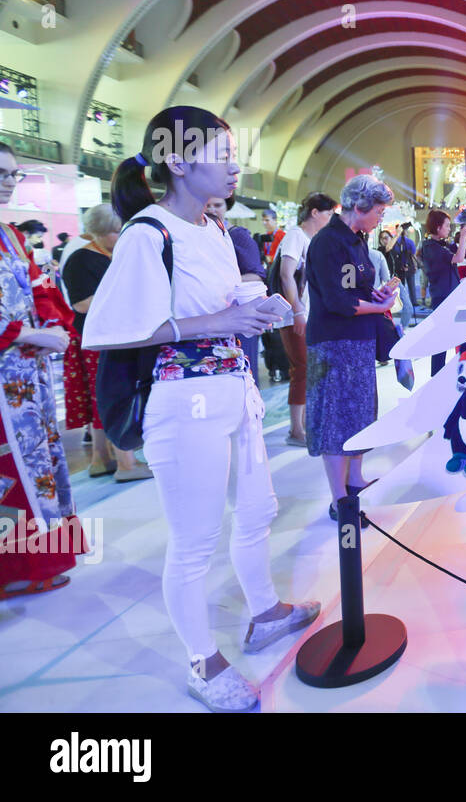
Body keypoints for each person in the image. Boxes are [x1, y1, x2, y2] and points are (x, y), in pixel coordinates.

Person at [82, 107, 320, 712]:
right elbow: (111, 328)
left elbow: (227, 299)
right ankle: (201, 660)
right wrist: (221, 320)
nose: (235, 166)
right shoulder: (147, 232)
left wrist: (256, 307)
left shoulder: (211, 230)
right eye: (223, 153)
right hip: (181, 401)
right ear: (180, 162)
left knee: (256, 511)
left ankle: (264, 610)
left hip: (233, 389)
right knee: (194, 540)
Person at [0, 143, 86, 601]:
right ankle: (13, 569)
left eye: (13, 174)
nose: (9, 181)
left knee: (39, 466)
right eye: (1, 173)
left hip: (25, 378)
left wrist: (53, 322)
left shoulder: (11, 236)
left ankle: (39, 563)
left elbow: (41, 286)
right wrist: (29, 334)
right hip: (6, 375)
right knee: (9, 471)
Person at [303, 173, 398, 524]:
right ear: (359, 206)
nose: (381, 218)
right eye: (379, 211)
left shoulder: (358, 240)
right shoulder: (329, 242)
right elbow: (338, 301)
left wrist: (376, 296)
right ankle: (339, 500)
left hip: (357, 340)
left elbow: (354, 289)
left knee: (359, 413)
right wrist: (379, 307)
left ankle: (356, 479)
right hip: (333, 342)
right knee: (336, 421)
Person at [61, 203, 151, 481]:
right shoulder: (81, 259)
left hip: (109, 336)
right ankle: (125, 463)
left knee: (101, 397)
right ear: (98, 232)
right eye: (115, 231)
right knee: (113, 395)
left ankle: (102, 459)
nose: (120, 235)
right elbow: (81, 304)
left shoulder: (109, 255)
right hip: (98, 339)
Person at [275, 192, 336, 446]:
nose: (331, 218)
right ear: (314, 213)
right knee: (302, 369)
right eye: (328, 213)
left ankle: (306, 425)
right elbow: (286, 274)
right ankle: (296, 430)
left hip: (309, 315)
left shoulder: (314, 240)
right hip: (294, 315)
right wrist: (298, 310)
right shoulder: (295, 236)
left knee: (310, 370)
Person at [205, 196, 267, 388]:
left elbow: (257, 274)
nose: (212, 209)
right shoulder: (204, 235)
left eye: (217, 205)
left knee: (243, 375)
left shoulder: (237, 235)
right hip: (215, 316)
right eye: (208, 205)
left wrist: (222, 282)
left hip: (240, 313)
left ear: (226, 207)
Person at [420, 209, 466, 376]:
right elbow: (458, 258)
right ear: (437, 226)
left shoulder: (440, 245)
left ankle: (465, 370)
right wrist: (462, 237)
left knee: (460, 337)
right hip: (443, 298)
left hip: (449, 296)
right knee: (441, 342)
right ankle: (437, 376)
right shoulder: (431, 247)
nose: (449, 229)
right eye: (447, 225)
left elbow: (460, 253)